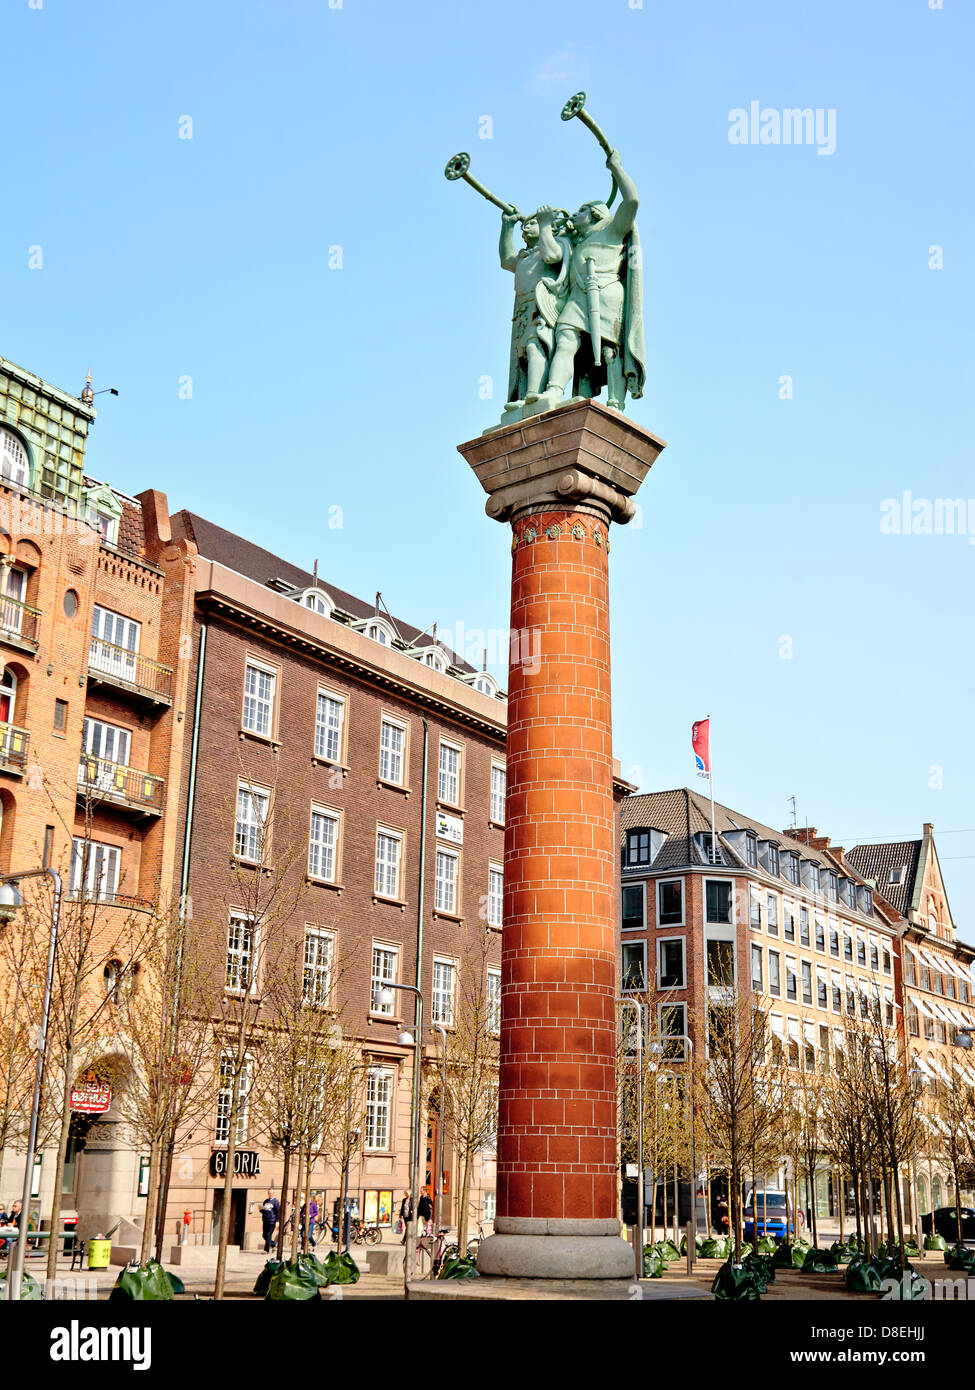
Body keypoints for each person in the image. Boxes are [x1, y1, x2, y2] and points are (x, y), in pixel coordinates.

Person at [531, 147, 646, 415]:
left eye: (581, 210)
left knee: (609, 351)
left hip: (605, 292)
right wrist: (545, 225)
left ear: (594, 214)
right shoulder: (573, 242)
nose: (574, 215)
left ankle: (616, 401)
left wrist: (616, 167)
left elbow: (632, 201)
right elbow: (549, 254)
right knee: (566, 339)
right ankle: (554, 390)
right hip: (578, 297)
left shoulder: (611, 227)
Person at [498, 205, 569, 417]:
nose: (525, 229)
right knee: (522, 355)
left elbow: (552, 257)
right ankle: (524, 397)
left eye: (531, 224)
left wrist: (545, 223)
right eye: (524, 226)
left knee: (535, 345)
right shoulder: (524, 255)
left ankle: (533, 395)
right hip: (522, 310)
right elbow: (505, 260)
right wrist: (507, 227)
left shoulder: (553, 245)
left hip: (542, 305)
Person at [260, 1189, 279, 1255]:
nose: (270, 1194)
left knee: (268, 1235)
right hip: (265, 1220)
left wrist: (277, 1221)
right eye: (269, 1193)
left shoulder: (275, 1202)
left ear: (273, 1193)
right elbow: (264, 1211)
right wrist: (261, 1209)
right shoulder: (265, 1201)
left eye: (271, 1193)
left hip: (272, 1221)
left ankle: (266, 1250)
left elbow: (277, 1212)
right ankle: (273, 1244)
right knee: (264, 1235)